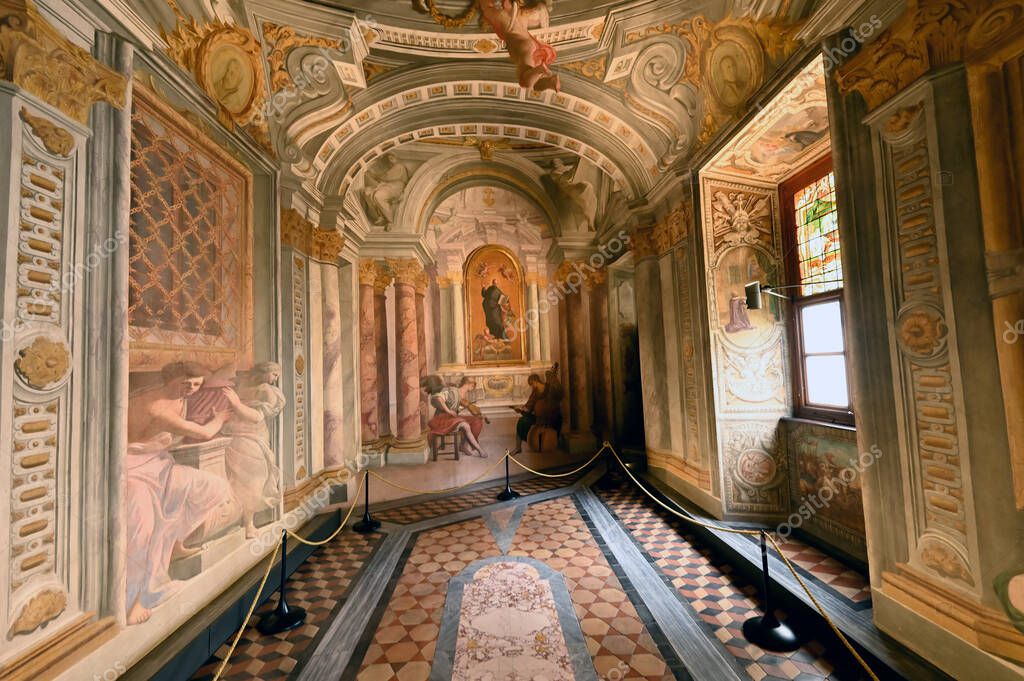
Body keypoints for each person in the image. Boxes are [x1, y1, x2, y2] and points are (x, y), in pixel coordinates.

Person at [125, 361, 238, 625]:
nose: (191, 389)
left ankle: (173, 541)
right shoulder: (155, 404)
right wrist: (219, 418)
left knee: (214, 487)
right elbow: (204, 432)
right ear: (170, 379)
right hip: (132, 470)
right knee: (143, 529)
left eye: (197, 384)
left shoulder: (180, 399)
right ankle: (135, 600)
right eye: (185, 383)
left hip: (160, 465)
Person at [221, 362, 285, 539]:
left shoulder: (267, 391)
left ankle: (248, 522)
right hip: (234, 434)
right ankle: (238, 522)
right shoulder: (241, 384)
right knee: (239, 480)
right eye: (274, 374)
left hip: (254, 436)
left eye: (277, 376)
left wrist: (235, 404)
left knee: (255, 480)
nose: (276, 379)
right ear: (263, 372)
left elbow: (257, 417)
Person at [422, 375, 488, 458]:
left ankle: (464, 446)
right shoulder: (453, 391)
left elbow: (457, 408)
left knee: (476, 421)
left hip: (452, 419)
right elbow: (438, 398)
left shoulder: (461, 395)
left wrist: (478, 414)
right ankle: (480, 450)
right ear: (467, 384)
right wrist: (448, 411)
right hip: (442, 419)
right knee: (465, 425)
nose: (474, 387)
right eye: (473, 385)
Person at [511, 362, 562, 455]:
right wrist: (522, 409)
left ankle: (554, 443)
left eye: (532, 384)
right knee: (522, 421)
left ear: (535, 381)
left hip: (551, 417)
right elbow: (529, 405)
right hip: (538, 418)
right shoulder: (535, 392)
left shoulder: (549, 388)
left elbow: (558, 396)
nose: (532, 386)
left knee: (558, 420)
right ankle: (518, 447)